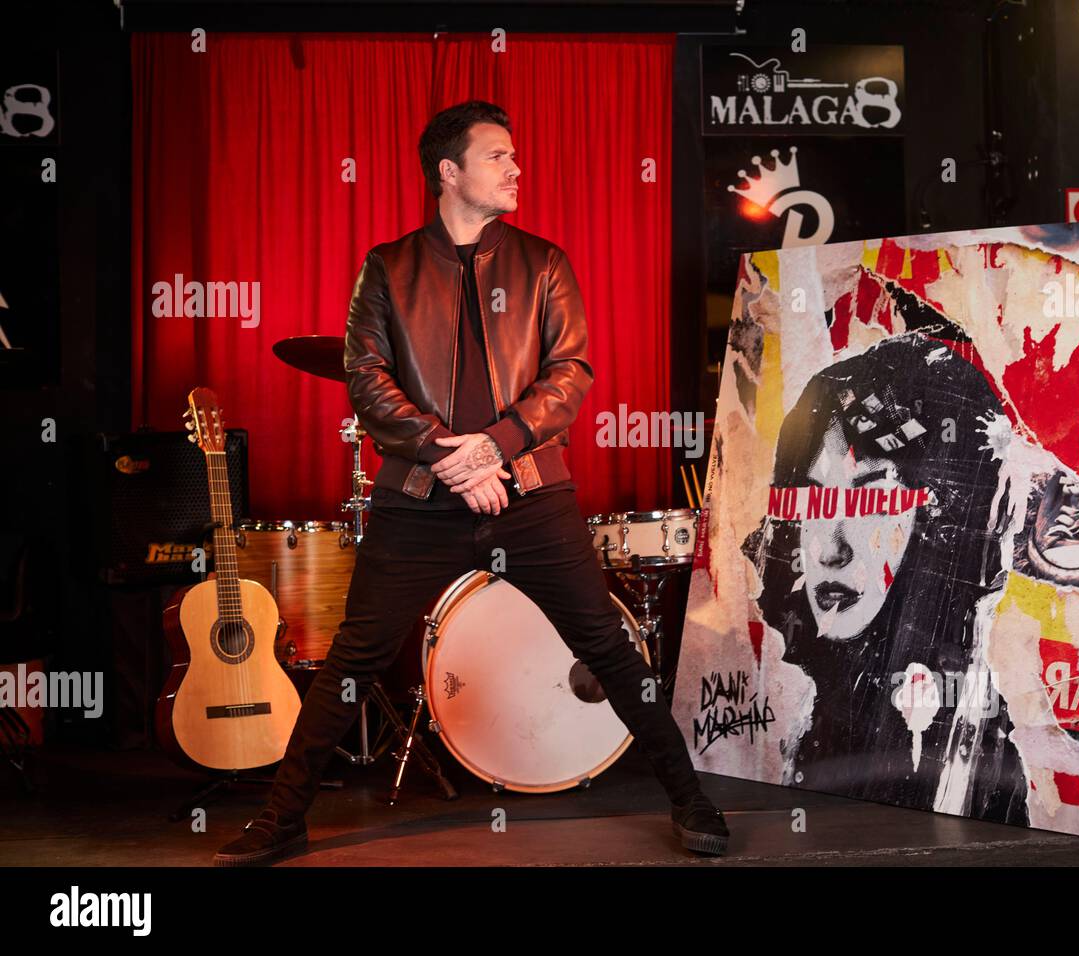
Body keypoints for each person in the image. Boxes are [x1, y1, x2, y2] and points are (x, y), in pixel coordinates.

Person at [213, 100, 728, 865]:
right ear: (448, 172)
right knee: (354, 657)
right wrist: (440, 455)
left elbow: (571, 372)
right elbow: (365, 377)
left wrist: (493, 448)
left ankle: (692, 801)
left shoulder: (544, 261)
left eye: (515, 156)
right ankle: (283, 818)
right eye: (498, 156)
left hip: (531, 492)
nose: (516, 168)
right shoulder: (386, 267)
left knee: (611, 649)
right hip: (418, 499)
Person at [741, 333, 1029, 825]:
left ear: (947, 522)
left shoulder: (973, 759)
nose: (830, 548)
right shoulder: (798, 726)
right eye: (814, 500)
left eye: (872, 501)